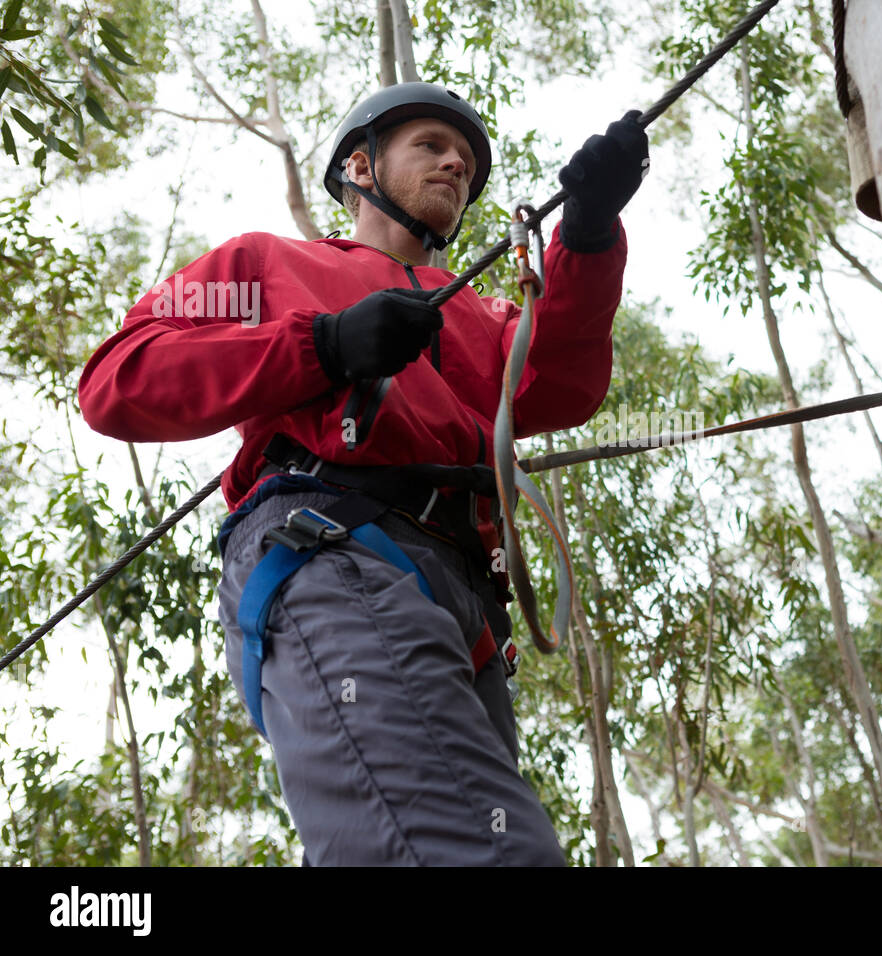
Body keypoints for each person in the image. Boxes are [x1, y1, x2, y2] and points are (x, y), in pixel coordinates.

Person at [78, 81, 649, 865]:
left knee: (440, 834)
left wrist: (585, 237)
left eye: (469, 162)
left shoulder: (482, 317)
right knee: (475, 850)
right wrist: (322, 344)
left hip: (463, 607)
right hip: (335, 548)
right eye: (431, 146)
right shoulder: (265, 265)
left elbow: (559, 383)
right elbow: (119, 380)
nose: (456, 164)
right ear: (359, 165)